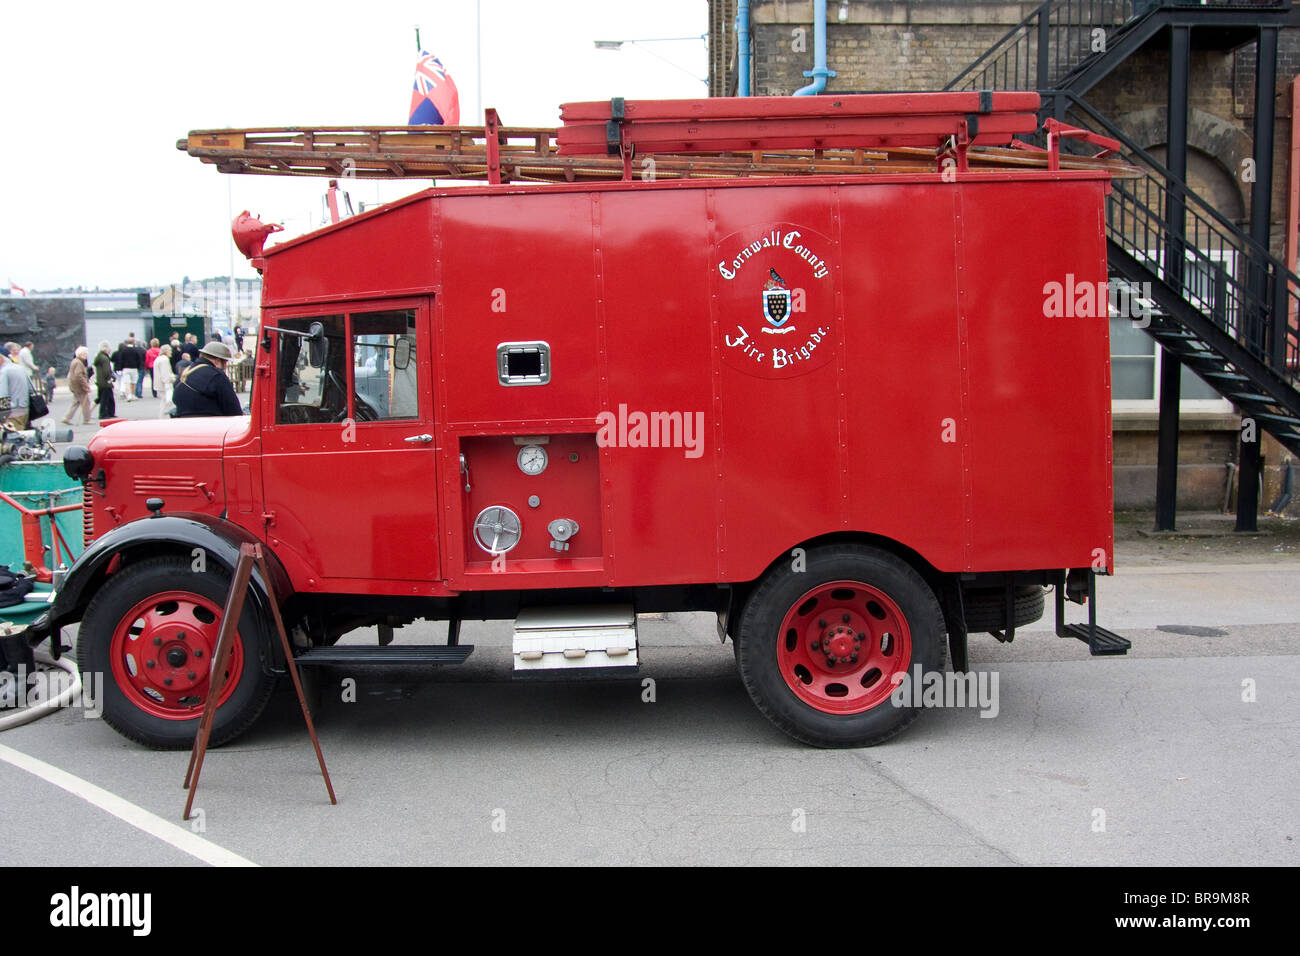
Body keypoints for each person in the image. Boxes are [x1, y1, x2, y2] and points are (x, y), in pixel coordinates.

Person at [172, 341, 243, 417]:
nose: (225, 367)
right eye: (225, 363)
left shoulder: (184, 372)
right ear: (217, 361)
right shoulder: (216, 375)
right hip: (210, 423)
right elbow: (233, 409)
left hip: (182, 421)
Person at [0, 342, 32, 430]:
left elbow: (3, 396)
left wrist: (2, 417)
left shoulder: (4, 372)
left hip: (12, 414)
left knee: (11, 440)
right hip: (25, 410)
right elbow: (31, 389)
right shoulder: (19, 368)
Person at [63, 347, 93, 425]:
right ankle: (87, 419)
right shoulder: (78, 363)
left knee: (76, 402)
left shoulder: (75, 361)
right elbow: (78, 375)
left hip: (75, 386)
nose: (86, 355)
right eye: (84, 354)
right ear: (80, 354)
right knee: (86, 403)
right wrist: (85, 386)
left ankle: (67, 417)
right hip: (79, 387)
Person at [93, 341, 116, 422]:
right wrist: (109, 378)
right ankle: (104, 413)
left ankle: (108, 412)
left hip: (100, 381)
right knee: (106, 398)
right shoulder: (105, 358)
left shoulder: (99, 357)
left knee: (106, 398)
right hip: (106, 382)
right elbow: (107, 370)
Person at [155, 344, 177, 417]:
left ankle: (162, 417)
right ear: (166, 351)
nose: (171, 352)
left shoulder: (159, 358)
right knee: (166, 402)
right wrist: (172, 379)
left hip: (160, 384)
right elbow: (165, 374)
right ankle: (164, 418)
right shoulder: (165, 359)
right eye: (170, 350)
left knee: (164, 402)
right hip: (165, 385)